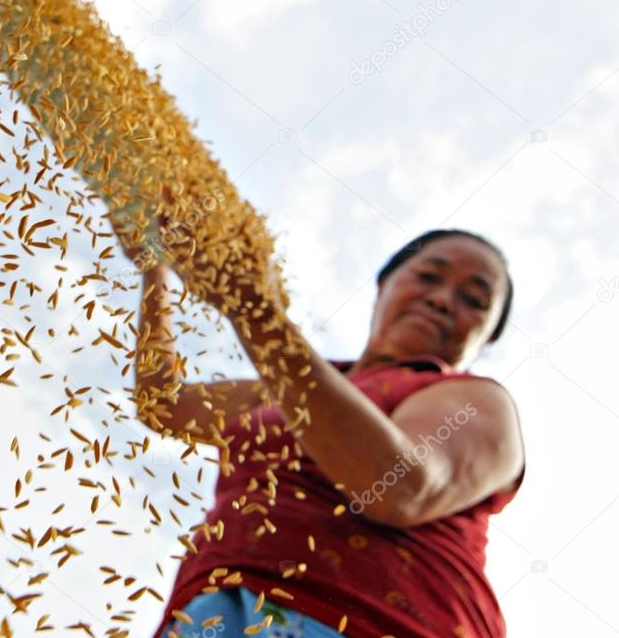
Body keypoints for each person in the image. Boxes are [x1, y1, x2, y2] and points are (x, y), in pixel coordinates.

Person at [112, 225, 526, 638]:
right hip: (218, 610)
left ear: (486, 336)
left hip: (376, 621)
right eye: (427, 277)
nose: (441, 299)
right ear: (383, 285)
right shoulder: (290, 387)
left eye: (473, 299)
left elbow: (398, 486)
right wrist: (154, 270)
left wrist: (253, 308)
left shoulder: (476, 400)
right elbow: (162, 404)